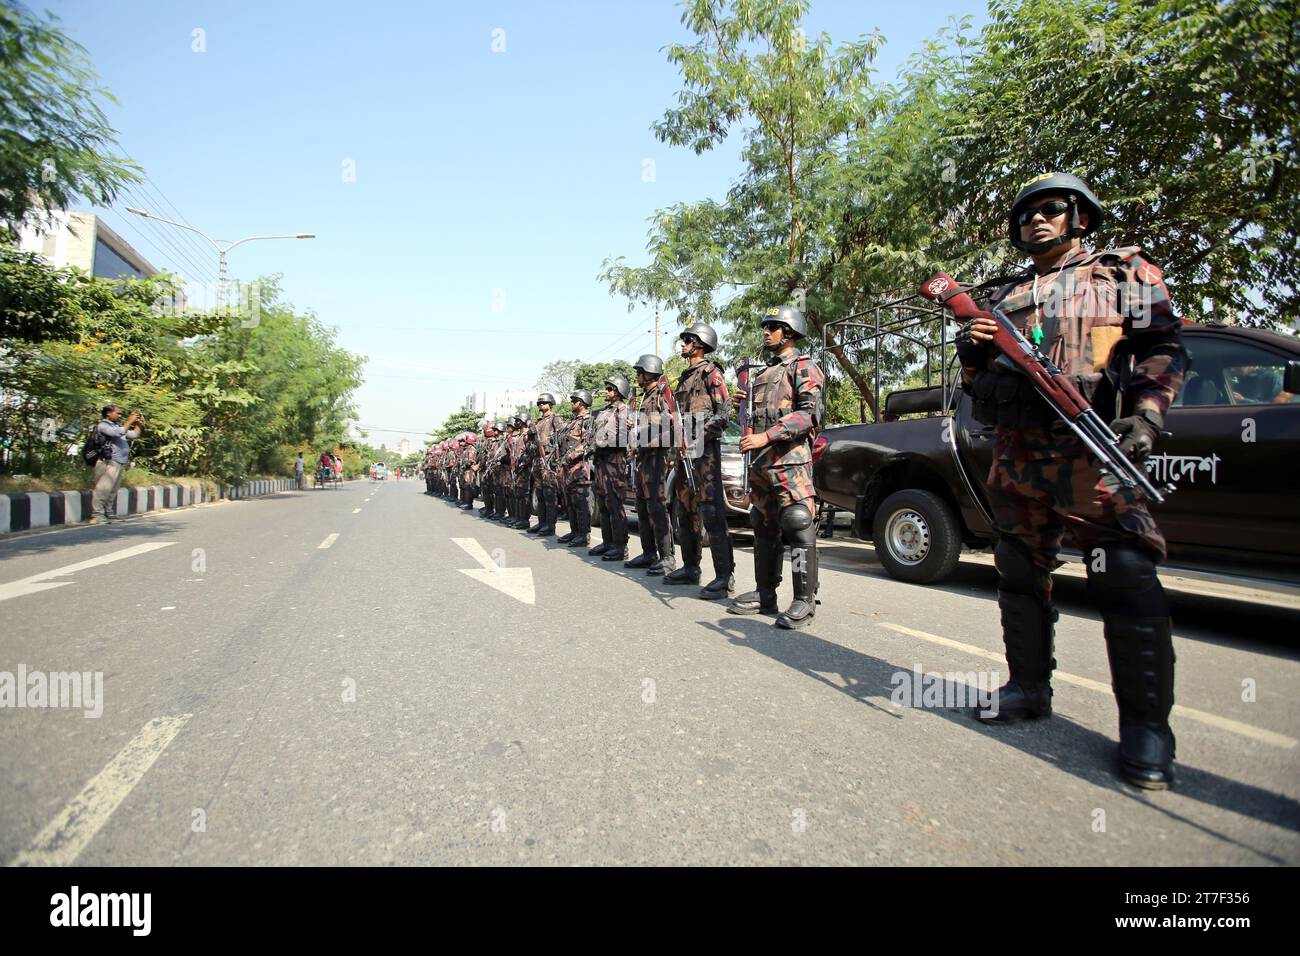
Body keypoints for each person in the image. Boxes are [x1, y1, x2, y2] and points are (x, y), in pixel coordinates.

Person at [957, 171, 1186, 790]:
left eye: (1052, 209)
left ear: (1079, 216)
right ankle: (1028, 688)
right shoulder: (1004, 296)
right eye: (1027, 212)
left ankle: (1145, 728)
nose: (1037, 219)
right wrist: (972, 352)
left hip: (1094, 449)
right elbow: (979, 389)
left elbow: (1164, 346)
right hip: (1019, 455)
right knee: (1018, 569)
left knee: (1126, 571)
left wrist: (1146, 416)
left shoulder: (1121, 272)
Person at [727, 306, 825, 629]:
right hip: (761, 464)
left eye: (774, 326)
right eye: (766, 326)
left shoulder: (804, 367)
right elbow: (751, 420)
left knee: (797, 521)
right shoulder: (761, 375)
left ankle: (804, 600)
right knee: (761, 523)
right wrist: (740, 406)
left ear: (790, 332)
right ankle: (765, 593)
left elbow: (808, 415)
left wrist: (766, 436)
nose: (766, 332)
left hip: (790, 461)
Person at [668, 322, 735, 599]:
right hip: (684, 455)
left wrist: (697, 437)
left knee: (711, 511)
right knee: (686, 510)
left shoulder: (711, 373)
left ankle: (724, 576)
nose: (683, 344)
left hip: (705, 452)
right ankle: (690, 567)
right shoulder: (684, 378)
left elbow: (724, 414)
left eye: (688, 340)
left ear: (701, 343)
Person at [625, 354, 677, 576]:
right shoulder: (645, 397)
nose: (637, 376)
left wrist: (641, 422)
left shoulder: (662, 394)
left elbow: (672, 421)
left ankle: (667, 557)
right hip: (643, 457)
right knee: (643, 506)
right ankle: (649, 553)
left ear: (649, 372)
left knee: (657, 507)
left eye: (640, 372)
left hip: (658, 456)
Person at [591, 375, 633, 561]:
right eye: (607, 388)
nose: (606, 392)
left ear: (619, 391)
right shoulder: (604, 412)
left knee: (615, 504)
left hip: (614, 462)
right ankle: (607, 542)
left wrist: (603, 442)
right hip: (601, 462)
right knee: (603, 503)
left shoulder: (624, 411)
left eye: (610, 389)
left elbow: (625, 438)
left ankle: (620, 545)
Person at [90, 405, 142, 524]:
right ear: (108, 413)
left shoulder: (117, 426)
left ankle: (109, 513)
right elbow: (117, 433)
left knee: (113, 490)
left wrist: (138, 423)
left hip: (119, 461)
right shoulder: (103, 425)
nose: (119, 415)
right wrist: (129, 421)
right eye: (117, 413)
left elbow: (134, 435)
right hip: (108, 461)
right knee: (103, 488)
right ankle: (97, 514)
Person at [558, 389, 595, 548]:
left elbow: (586, 443)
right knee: (571, 501)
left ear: (582, 402)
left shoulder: (587, 420)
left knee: (580, 501)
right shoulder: (573, 421)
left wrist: (570, 456)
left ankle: (583, 534)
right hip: (568, 467)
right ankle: (574, 531)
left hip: (579, 466)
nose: (572, 403)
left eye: (574, 401)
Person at [526, 394, 562, 536]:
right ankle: (541, 522)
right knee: (540, 493)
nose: (541, 405)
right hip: (537, 460)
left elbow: (562, 436)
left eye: (544, 402)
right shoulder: (538, 421)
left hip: (549, 458)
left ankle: (550, 525)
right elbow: (530, 440)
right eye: (539, 403)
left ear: (551, 404)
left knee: (549, 493)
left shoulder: (555, 418)